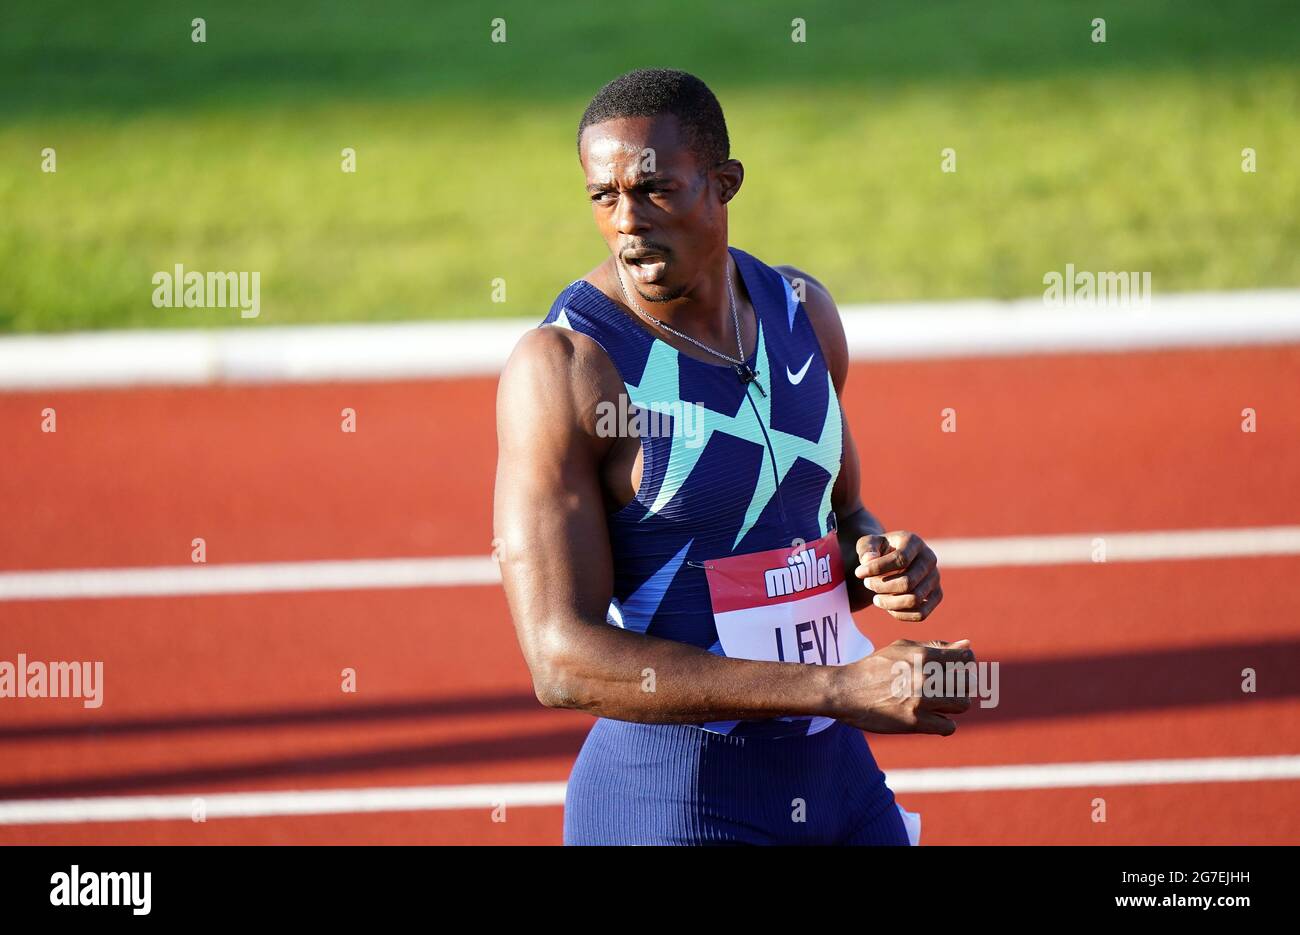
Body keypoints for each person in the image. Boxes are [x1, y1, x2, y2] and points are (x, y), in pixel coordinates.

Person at [493, 68, 974, 845]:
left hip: (841, 786)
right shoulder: (568, 368)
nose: (627, 223)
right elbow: (560, 657)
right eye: (603, 197)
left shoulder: (800, 313)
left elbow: (838, 520)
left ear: (724, 183)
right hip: (677, 805)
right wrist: (839, 685)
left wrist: (882, 563)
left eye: (656, 190)